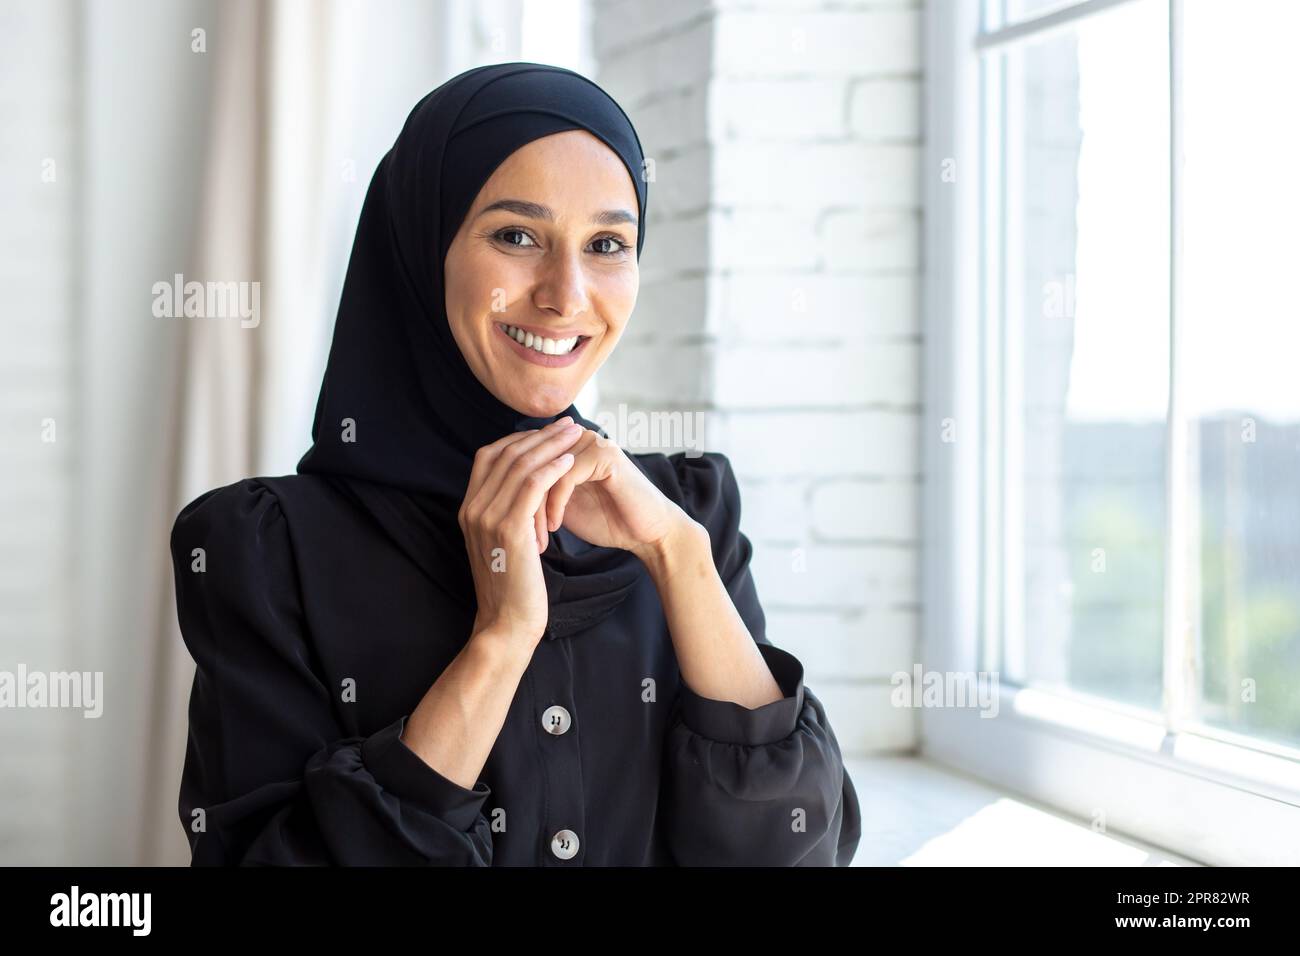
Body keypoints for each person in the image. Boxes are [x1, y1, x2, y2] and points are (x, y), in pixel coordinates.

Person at [170, 61, 862, 866]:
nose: (566, 296)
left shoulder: (683, 514)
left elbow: (795, 850)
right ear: (424, 247)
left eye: (607, 244)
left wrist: (680, 562)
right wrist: (499, 641)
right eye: (516, 236)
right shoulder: (269, 551)